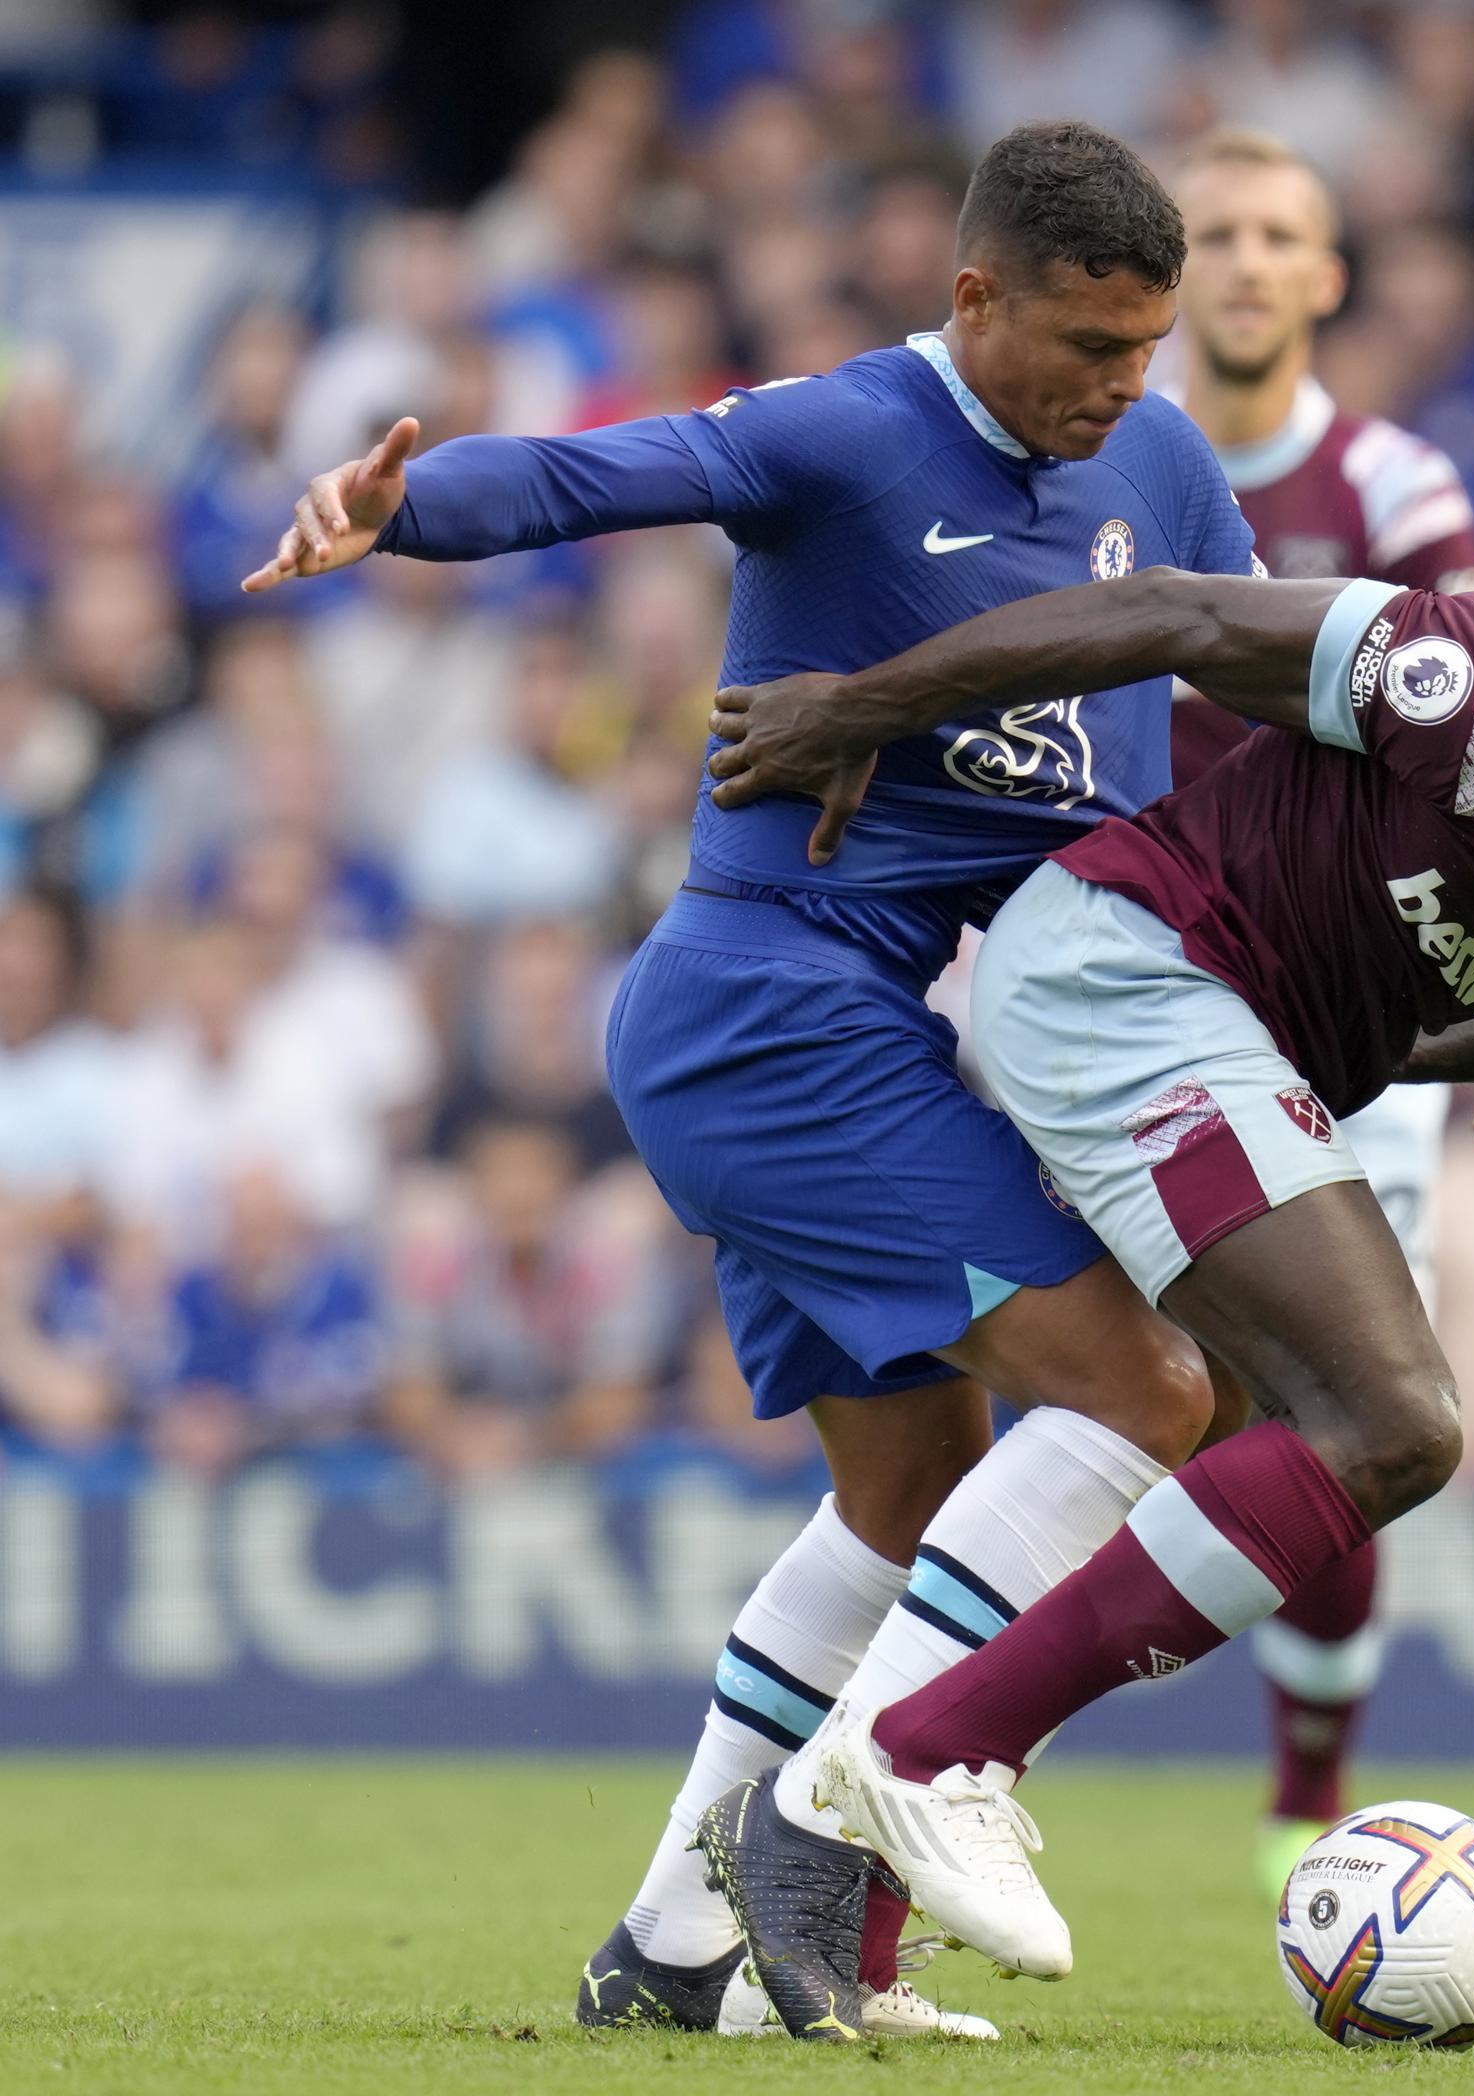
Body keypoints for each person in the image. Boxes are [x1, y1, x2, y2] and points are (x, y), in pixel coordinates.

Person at [241, 122, 1258, 2041]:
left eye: (1146, 347)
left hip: (851, 1027)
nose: (1122, 387)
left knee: (911, 1492)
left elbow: (1256, 681)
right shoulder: (856, 431)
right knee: (1149, 1387)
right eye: (1086, 347)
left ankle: (668, 1953)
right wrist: (404, 502)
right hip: (770, 1020)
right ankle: (888, 1777)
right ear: (976, 302)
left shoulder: (1167, 462)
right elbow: (602, 469)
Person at [691, 563, 1474, 2035]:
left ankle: (840, 1894)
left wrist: (1410, 1051)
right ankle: (920, 1760)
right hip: (1134, 961)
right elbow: (1184, 617)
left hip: (1239, 1044)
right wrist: (861, 708)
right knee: (1395, 1419)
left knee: (1190, 1424)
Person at [1166, 125, 1474, 1885]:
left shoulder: (1393, 487)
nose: (1240, 260)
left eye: (1275, 233)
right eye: (1210, 231)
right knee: (1116, 1374)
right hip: (1140, 978)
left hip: (1361, 1002)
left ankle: (1312, 1764)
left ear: (1326, 277)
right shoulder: (1113, 469)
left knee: (1364, 1402)